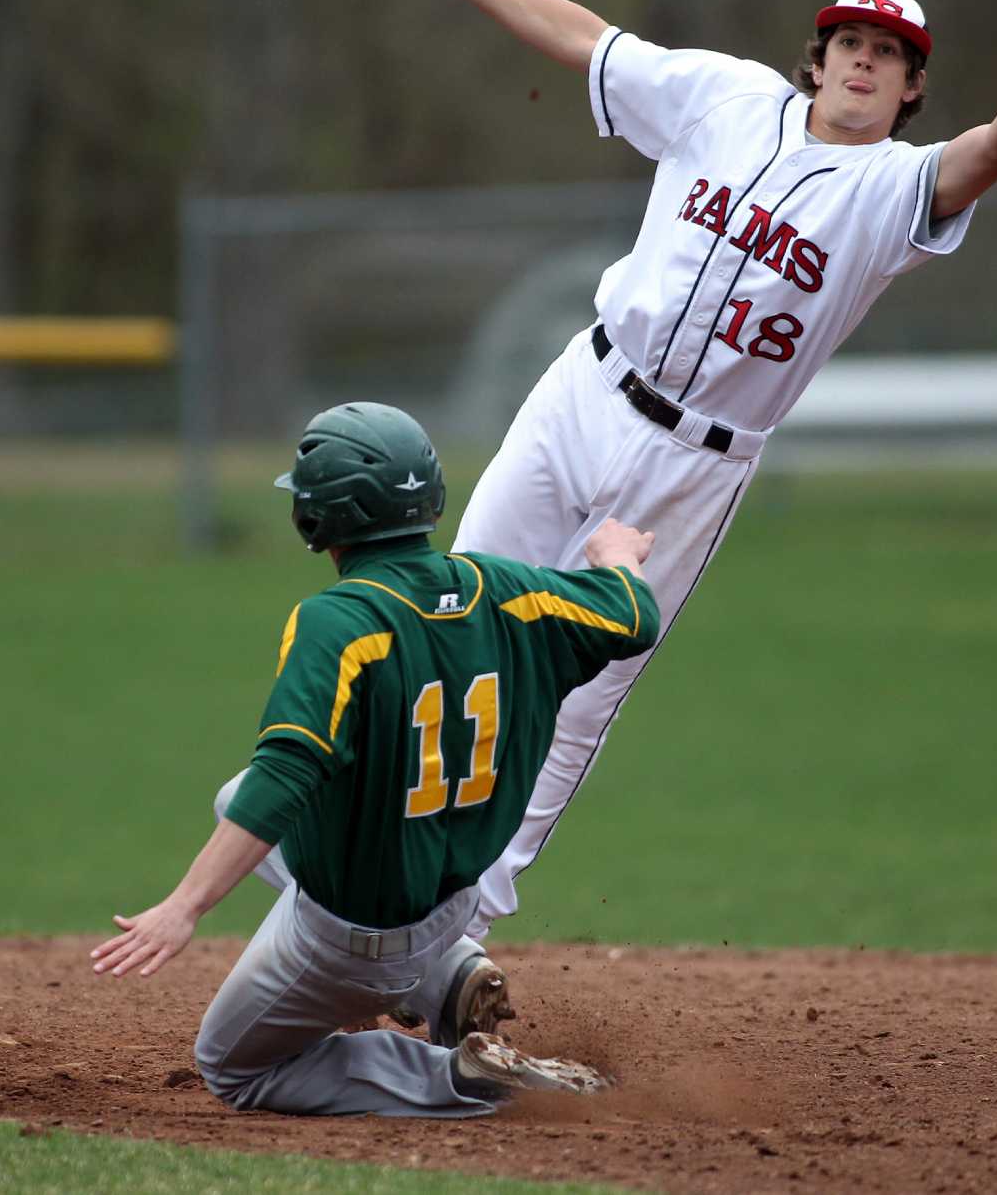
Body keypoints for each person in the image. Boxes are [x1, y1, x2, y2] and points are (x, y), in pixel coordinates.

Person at [359, 0, 997, 948]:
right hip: (584, 390)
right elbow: (587, 39)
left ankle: (451, 932)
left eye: (889, 55)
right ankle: (358, 880)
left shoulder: (893, 189)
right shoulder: (727, 97)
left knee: (578, 695)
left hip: (690, 464)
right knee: (456, 618)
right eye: (850, 43)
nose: (865, 61)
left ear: (911, 88)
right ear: (817, 59)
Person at [92, 401, 660, 1115]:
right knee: (234, 796)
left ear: (314, 518)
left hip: (356, 941)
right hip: (452, 903)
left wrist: (184, 908)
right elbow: (634, 616)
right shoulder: (511, 592)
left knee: (233, 1069)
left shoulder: (339, 622)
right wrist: (616, 558)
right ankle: (450, 973)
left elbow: (288, 771)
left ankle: (459, 1078)